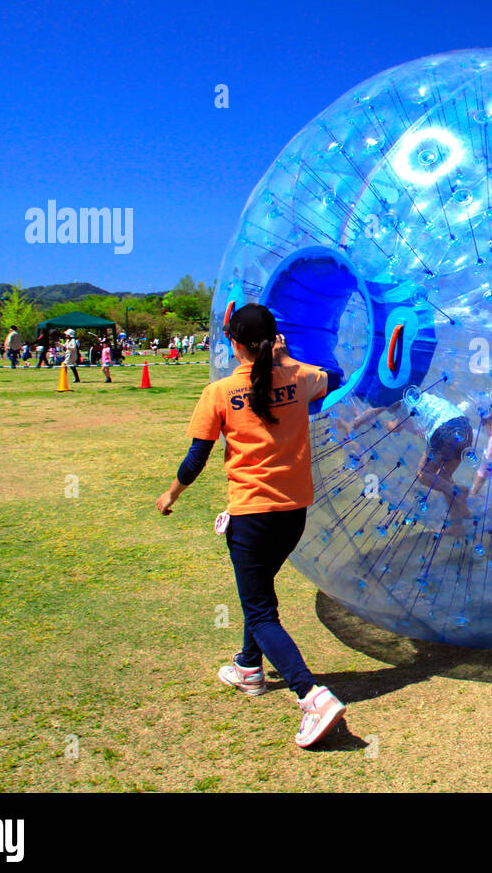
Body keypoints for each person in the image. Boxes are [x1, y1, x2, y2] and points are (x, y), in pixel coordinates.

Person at [156, 303, 344, 749]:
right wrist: (286, 361)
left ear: (232, 342)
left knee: (260, 610)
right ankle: (248, 669)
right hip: (293, 514)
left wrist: (172, 494)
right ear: (274, 341)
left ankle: (312, 696)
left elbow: (196, 457)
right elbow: (334, 375)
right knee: (257, 592)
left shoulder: (219, 393)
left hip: (252, 516)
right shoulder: (299, 380)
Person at [345, 391, 473, 532]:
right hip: (464, 428)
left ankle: (458, 492)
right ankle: (457, 524)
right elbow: (396, 426)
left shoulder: (391, 395)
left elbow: (371, 412)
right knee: (443, 479)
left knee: (424, 474)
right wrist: (385, 424)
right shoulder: (412, 396)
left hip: (443, 430)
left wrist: (352, 424)